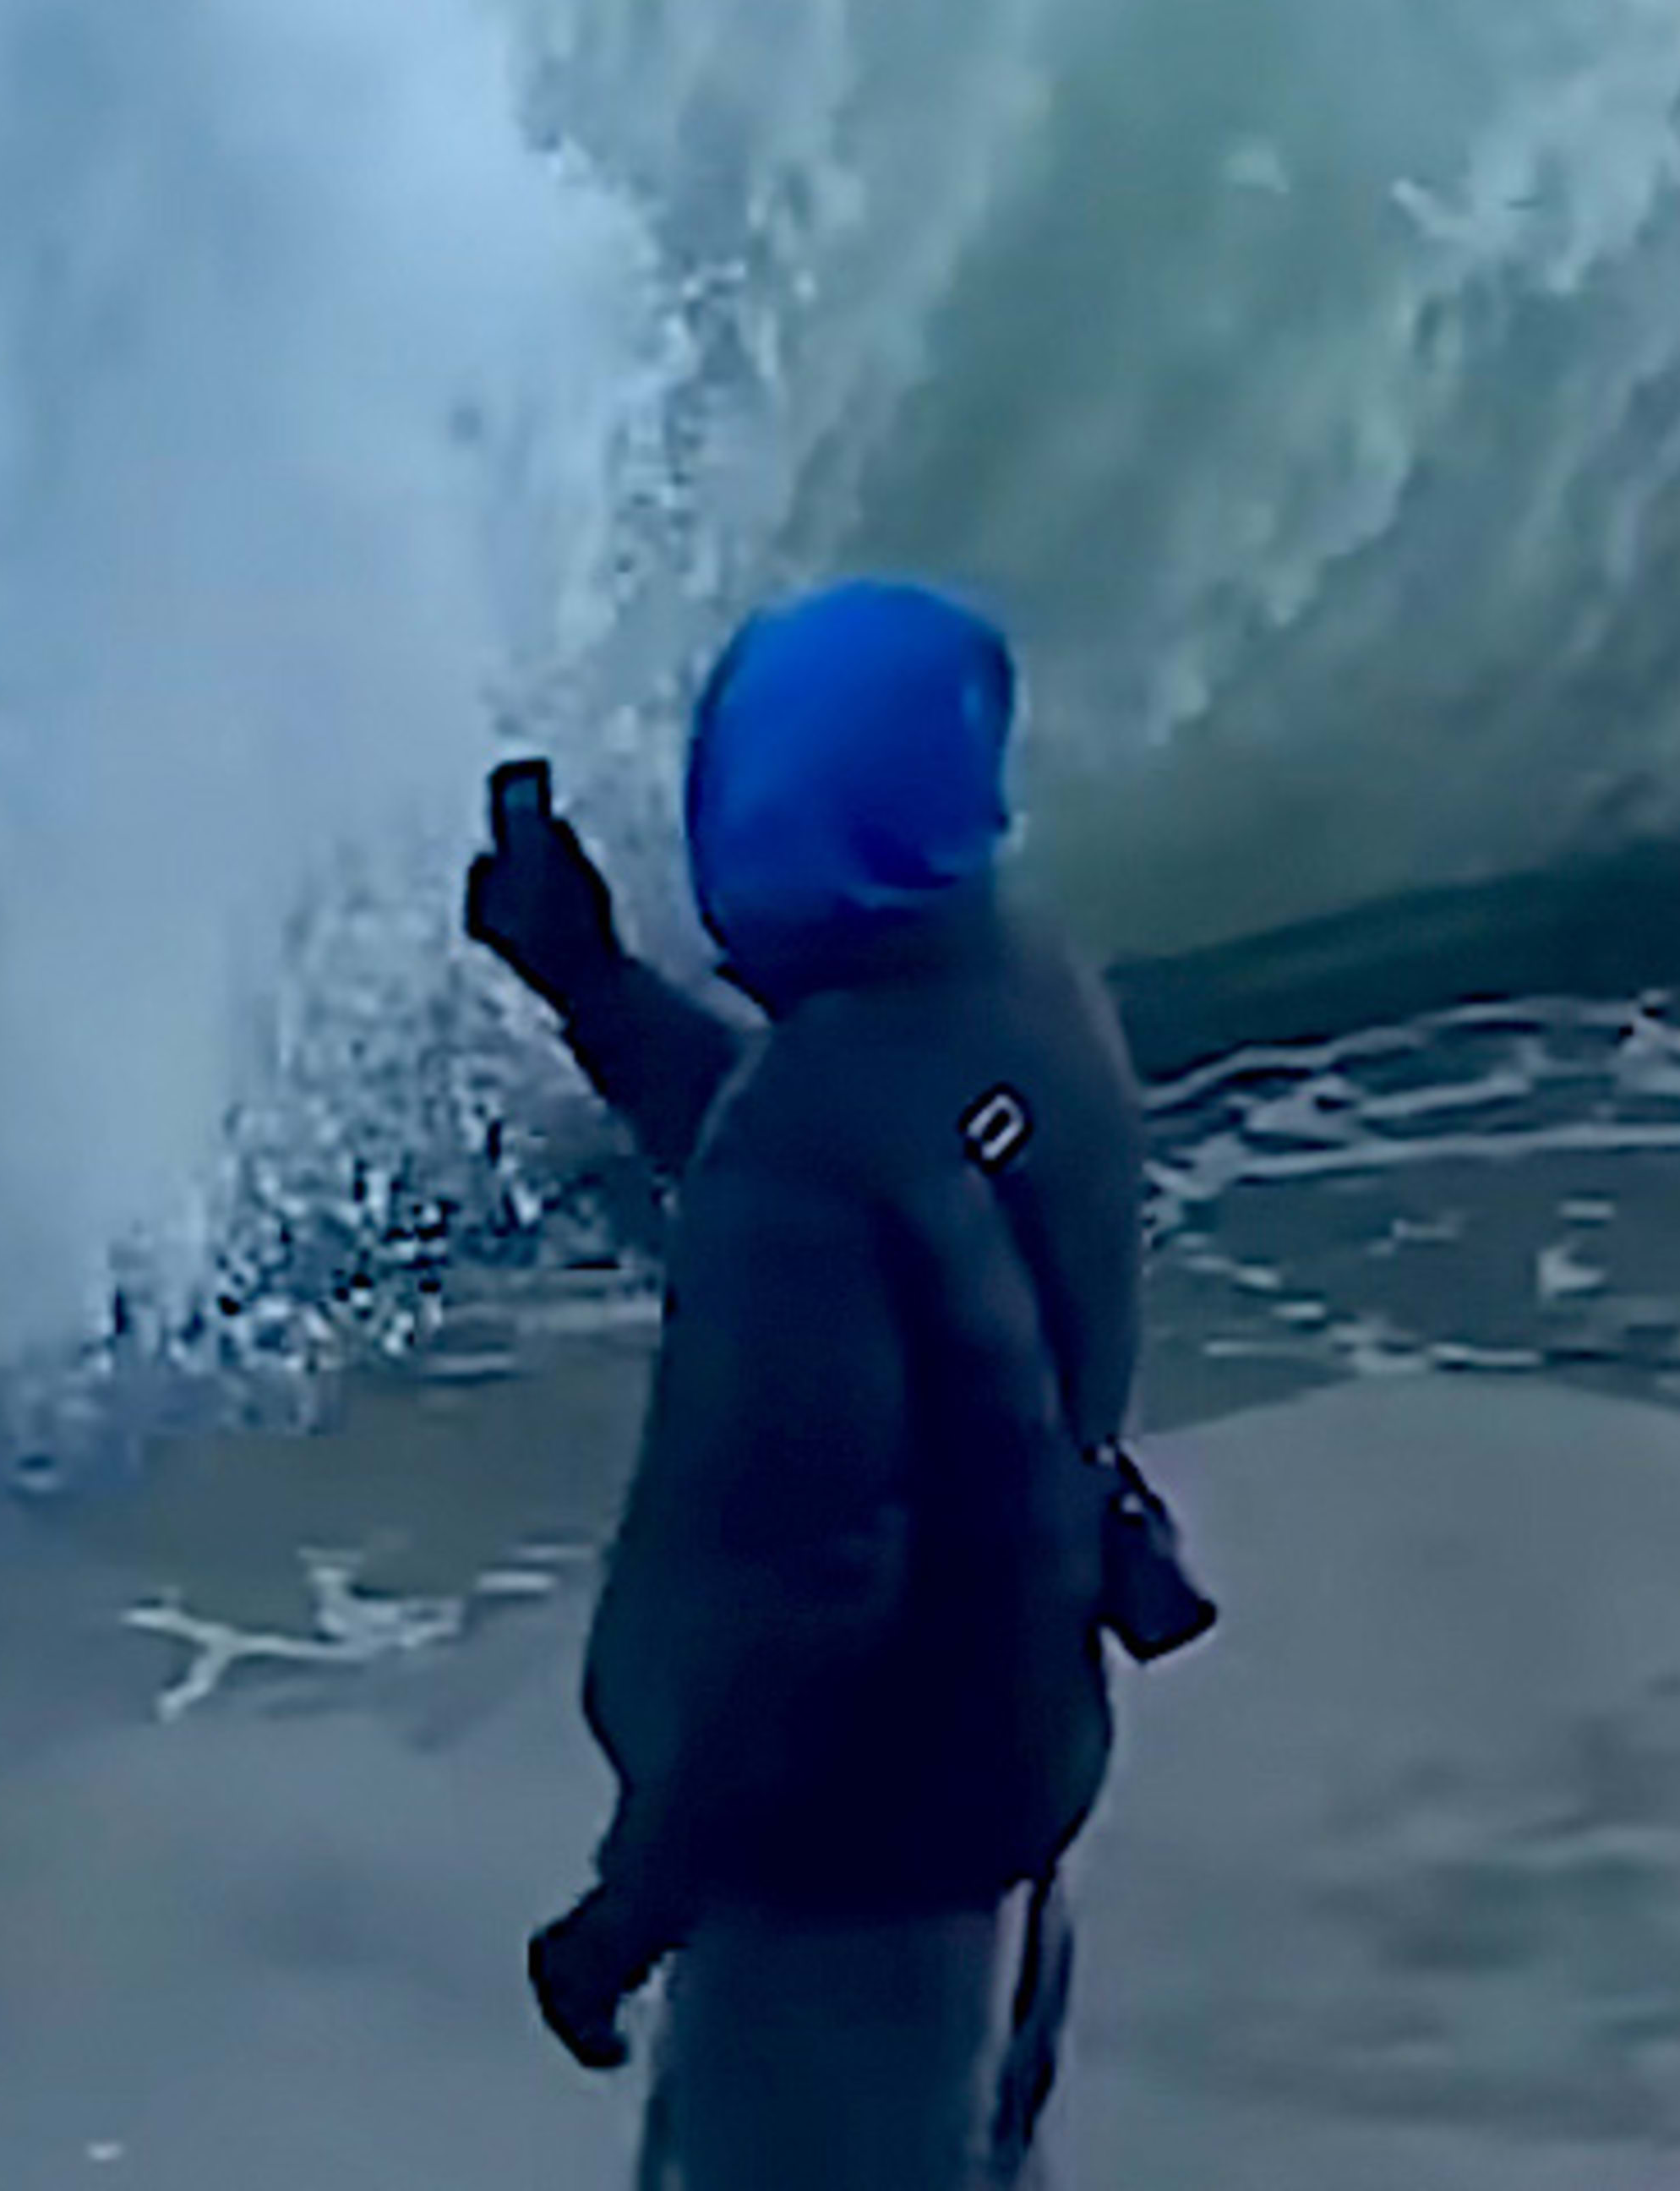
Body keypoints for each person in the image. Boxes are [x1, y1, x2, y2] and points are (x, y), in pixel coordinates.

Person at [466, 577, 1195, 2188]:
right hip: (1004, 1799)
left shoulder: (811, 1153)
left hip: (846, 1882)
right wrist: (587, 981)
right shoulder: (1019, 991)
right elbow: (881, 1189)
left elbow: (804, 1600)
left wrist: (628, 1912)